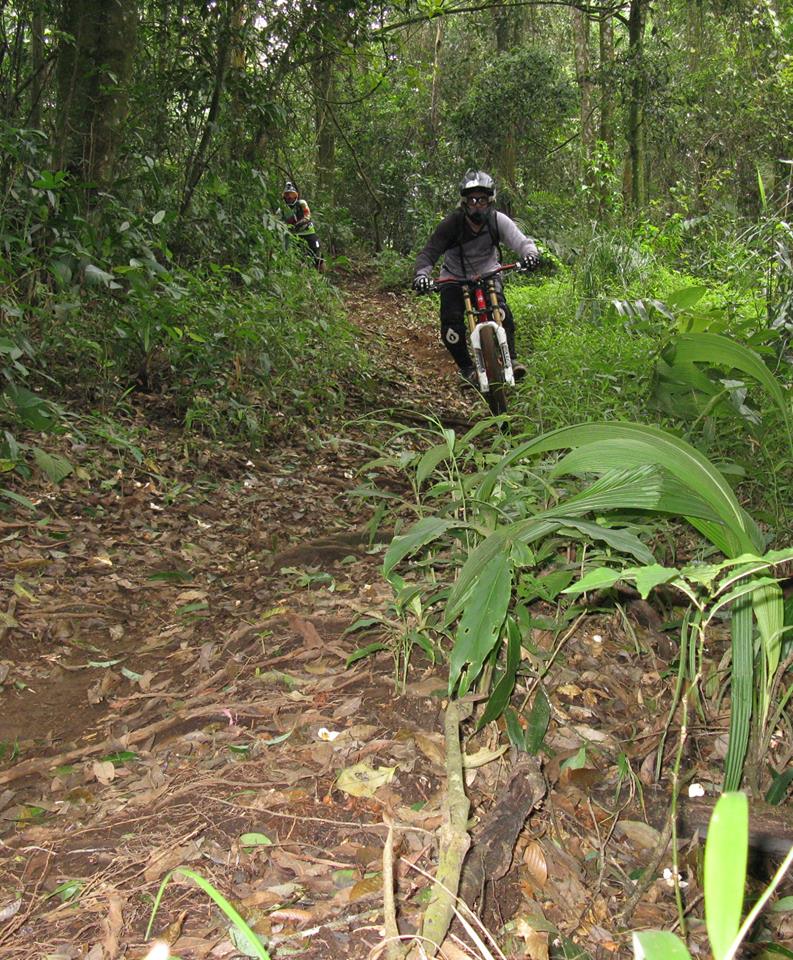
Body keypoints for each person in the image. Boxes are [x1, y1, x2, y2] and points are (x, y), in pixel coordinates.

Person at [412, 169, 540, 386]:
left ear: (490, 200)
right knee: (451, 325)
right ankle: (467, 369)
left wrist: (531, 255)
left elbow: (522, 242)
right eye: (472, 200)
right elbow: (429, 253)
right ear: (464, 202)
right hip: (454, 277)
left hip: (489, 272)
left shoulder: (498, 221)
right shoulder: (451, 224)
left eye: (482, 200)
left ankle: (512, 359)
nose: (477, 205)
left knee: (501, 311)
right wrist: (422, 275)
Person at [282, 181, 324, 271]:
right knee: (296, 257)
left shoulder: (301, 203)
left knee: (318, 254)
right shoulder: (282, 208)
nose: (289, 197)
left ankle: (323, 275)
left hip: (308, 232)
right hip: (294, 236)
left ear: (296, 196)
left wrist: (299, 223)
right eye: (287, 195)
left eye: (292, 195)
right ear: (284, 196)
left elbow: (307, 215)